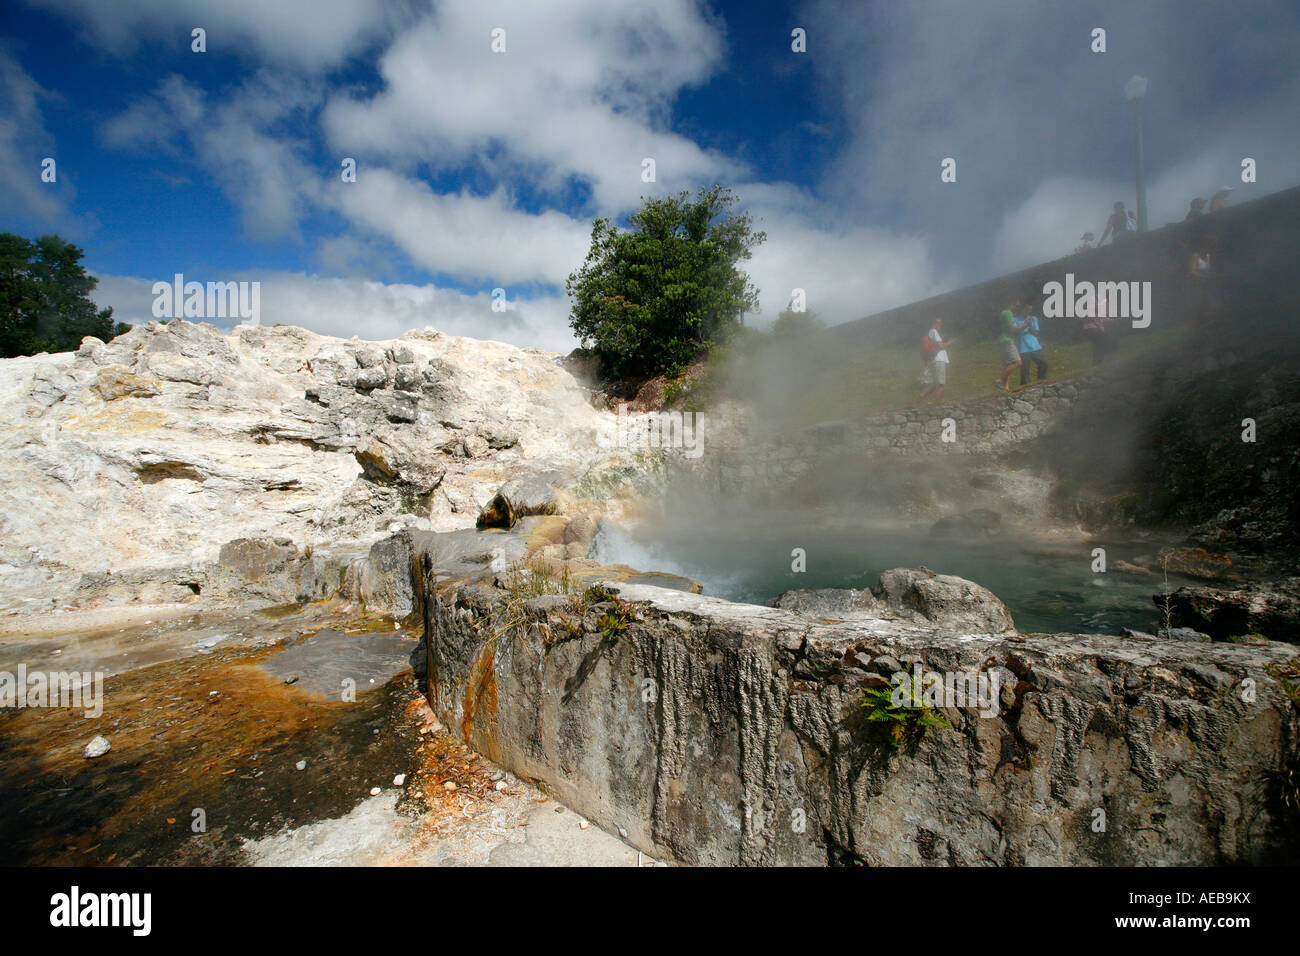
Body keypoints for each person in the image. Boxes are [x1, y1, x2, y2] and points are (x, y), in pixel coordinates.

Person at [918, 317, 953, 403]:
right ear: (933, 324)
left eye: (940, 323)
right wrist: (950, 343)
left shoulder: (931, 332)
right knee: (940, 383)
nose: (940, 325)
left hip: (935, 360)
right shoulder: (934, 331)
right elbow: (941, 346)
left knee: (935, 383)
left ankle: (919, 398)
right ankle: (939, 403)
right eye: (938, 323)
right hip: (939, 359)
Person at [1016, 302, 1048, 386]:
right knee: (1025, 370)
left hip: (1035, 346)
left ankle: (1041, 383)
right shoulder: (1015, 320)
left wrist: (1030, 325)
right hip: (1023, 348)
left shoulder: (1033, 319)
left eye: (1030, 310)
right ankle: (1024, 388)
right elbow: (1016, 333)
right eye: (1027, 309)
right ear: (1022, 309)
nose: (1028, 312)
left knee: (1044, 363)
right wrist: (1025, 324)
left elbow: (1036, 333)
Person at [994, 308, 1025, 391]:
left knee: (1008, 365)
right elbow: (1012, 329)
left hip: (1003, 341)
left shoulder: (1004, 312)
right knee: (1018, 362)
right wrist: (1025, 324)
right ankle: (1000, 380)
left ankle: (1006, 388)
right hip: (1007, 341)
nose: (1019, 305)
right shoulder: (1007, 312)